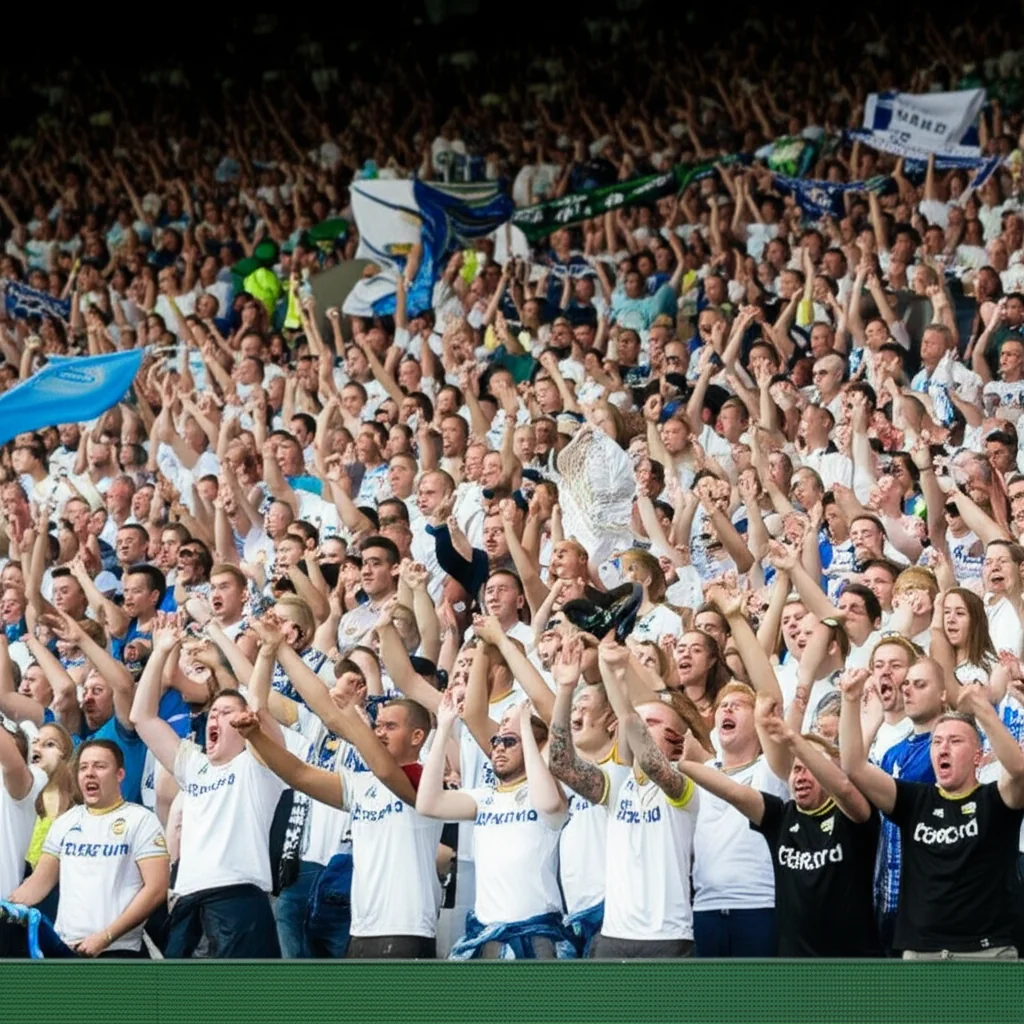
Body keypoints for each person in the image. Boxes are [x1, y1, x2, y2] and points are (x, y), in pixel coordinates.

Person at [129, 616, 287, 958]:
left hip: (238, 900)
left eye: (225, 712)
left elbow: (259, 705)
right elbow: (142, 717)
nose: (214, 718)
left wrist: (267, 653)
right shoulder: (195, 765)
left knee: (238, 1010)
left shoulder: (257, 766)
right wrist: (160, 652)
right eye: (212, 712)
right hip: (188, 901)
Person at [841, 673, 1024, 958]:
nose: (943, 748)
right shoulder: (915, 800)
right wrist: (850, 700)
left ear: (978, 756)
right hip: (921, 950)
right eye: (937, 742)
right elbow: (853, 768)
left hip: (987, 952)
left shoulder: (997, 799)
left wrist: (982, 709)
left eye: (955, 741)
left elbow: (1019, 771)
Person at [681, 700, 881, 957]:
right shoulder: (781, 816)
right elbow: (734, 792)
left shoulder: (854, 817)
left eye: (811, 769)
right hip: (793, 966)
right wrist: (681, 765)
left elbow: (842, 788)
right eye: (796, 769)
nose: (801, 776)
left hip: (851, 964)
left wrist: (791, 737)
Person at [417, 691, 572, 959]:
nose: (498, 747)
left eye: (509, 741)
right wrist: (443, 727)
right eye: (496, 740)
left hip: (536, 934)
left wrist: (525, 725)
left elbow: (549, 805)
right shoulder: (485, 797)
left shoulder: (548, 793)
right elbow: (428, 804)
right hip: (487, 933)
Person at [8, 739, 169, 958]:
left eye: (100, 766)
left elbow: (157, 889)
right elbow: (38, 883)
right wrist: (6, 905)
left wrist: (106, 936)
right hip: (67, 948)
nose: (89, 773)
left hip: (119, 950)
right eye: (83, 767)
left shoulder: (141, 820)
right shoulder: (65, 822)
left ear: (119, 775)